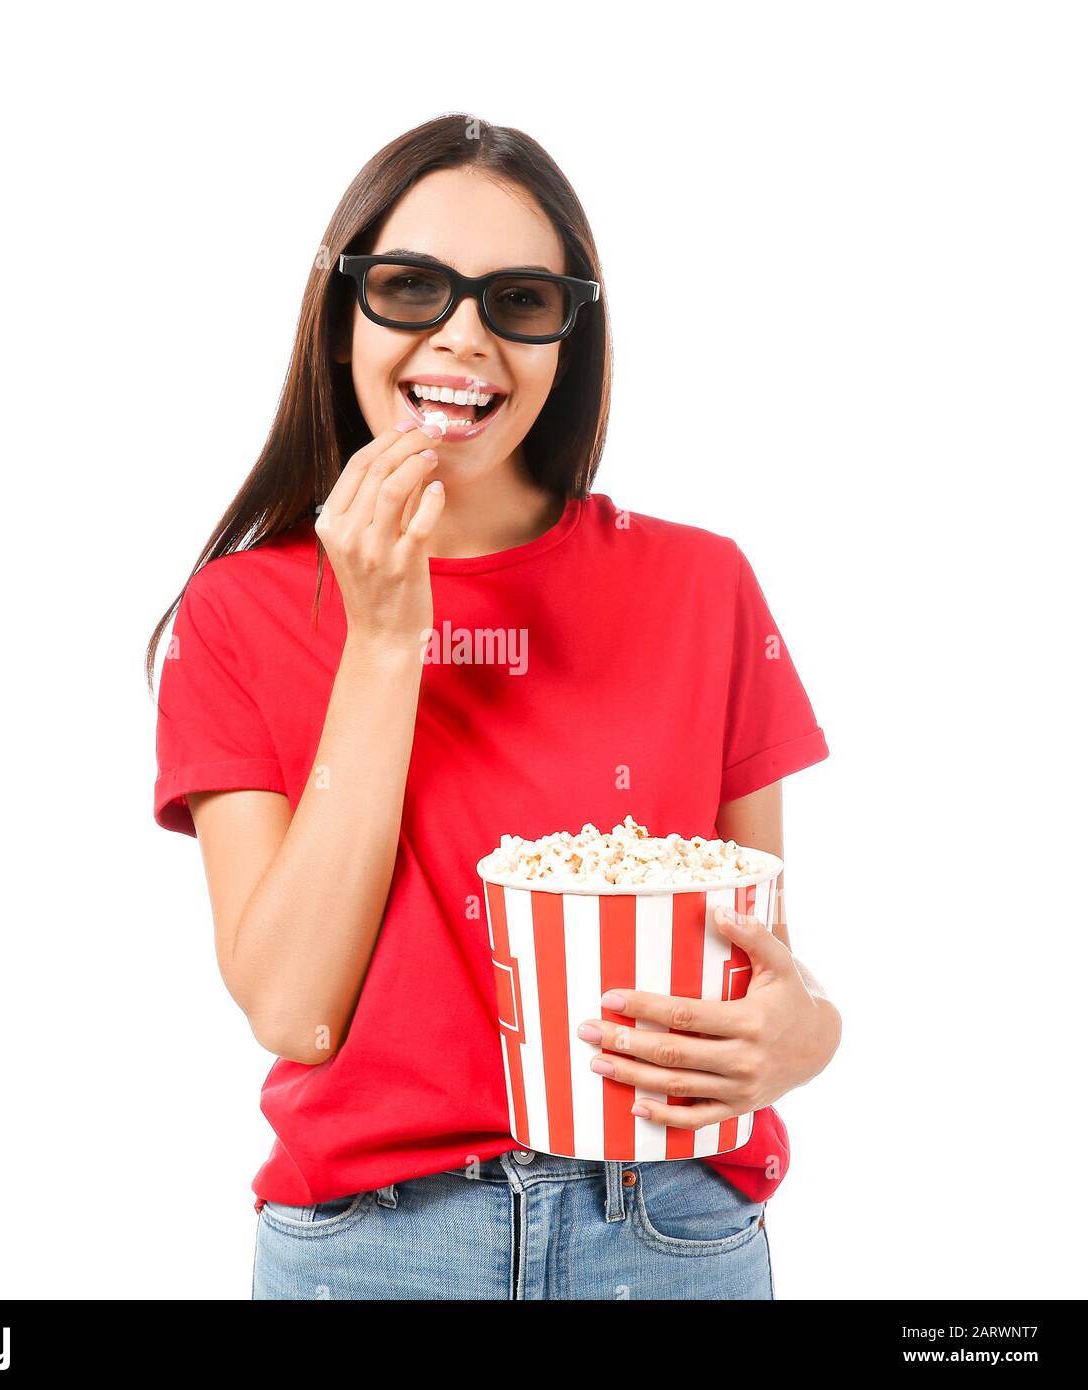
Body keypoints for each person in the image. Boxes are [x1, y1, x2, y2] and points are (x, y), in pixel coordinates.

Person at [146, 114, 841, 1300]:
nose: (461, 336)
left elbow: (759, 966)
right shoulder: (237, 613)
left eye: (518, 299)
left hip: (669, 1230)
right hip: (372, 1249)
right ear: (341, 315)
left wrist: (804, 1035)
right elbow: (293, 1010)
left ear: (569, 337)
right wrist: (382, 640)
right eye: (410, 288)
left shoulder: (698, 584)